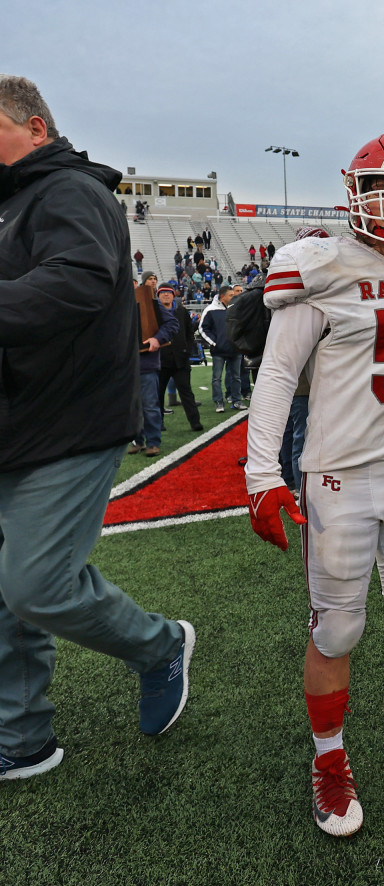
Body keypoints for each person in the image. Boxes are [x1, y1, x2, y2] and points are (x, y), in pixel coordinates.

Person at [246, 133, 384, 838]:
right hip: (341, 476)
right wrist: (261, 473)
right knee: (338, 627)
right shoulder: (320, 262)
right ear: (355, 192)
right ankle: (329, 760)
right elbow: (280, 372)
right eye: (383, 187)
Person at [0, 75, 194, 780]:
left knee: (36, 584)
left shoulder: (70, 192)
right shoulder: (18, 201)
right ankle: (21, 736)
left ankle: (158, 645)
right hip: (23, 418)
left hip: (69, 418)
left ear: (35, 130)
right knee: (5, 589)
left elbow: (77, 282)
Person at [129, 274, 179, 457]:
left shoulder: (148, 302)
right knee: (130, 407)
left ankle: (153, 442)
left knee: (149, 405)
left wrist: (157, 339)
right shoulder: (112, 304)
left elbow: (173, 324)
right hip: (123, 366)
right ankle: (137, 440)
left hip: (146, 363)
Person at [156, 283, 203, 432]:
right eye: (162, 292)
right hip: (160, 360)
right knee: (157, 394)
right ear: (158, 295)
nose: (165, 295)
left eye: (168, 292)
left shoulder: (181, 311)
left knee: (186, 392)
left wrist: (187, 349)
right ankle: (158, 424)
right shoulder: (153, 312)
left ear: (173, 295)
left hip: (180, 359)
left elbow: (190, 331)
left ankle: (195, 422)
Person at [199, 284, 243, 413]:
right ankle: (219, 402)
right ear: (222, 296)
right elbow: (202, 328)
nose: (234, 296)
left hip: (235, 349)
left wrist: (239, 342)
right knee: (216, 378)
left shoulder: (236, 308)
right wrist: (214, 343)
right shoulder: (210, 309)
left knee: (236, 377)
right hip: (218, 350)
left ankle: (237, 401)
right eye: (231, 295)